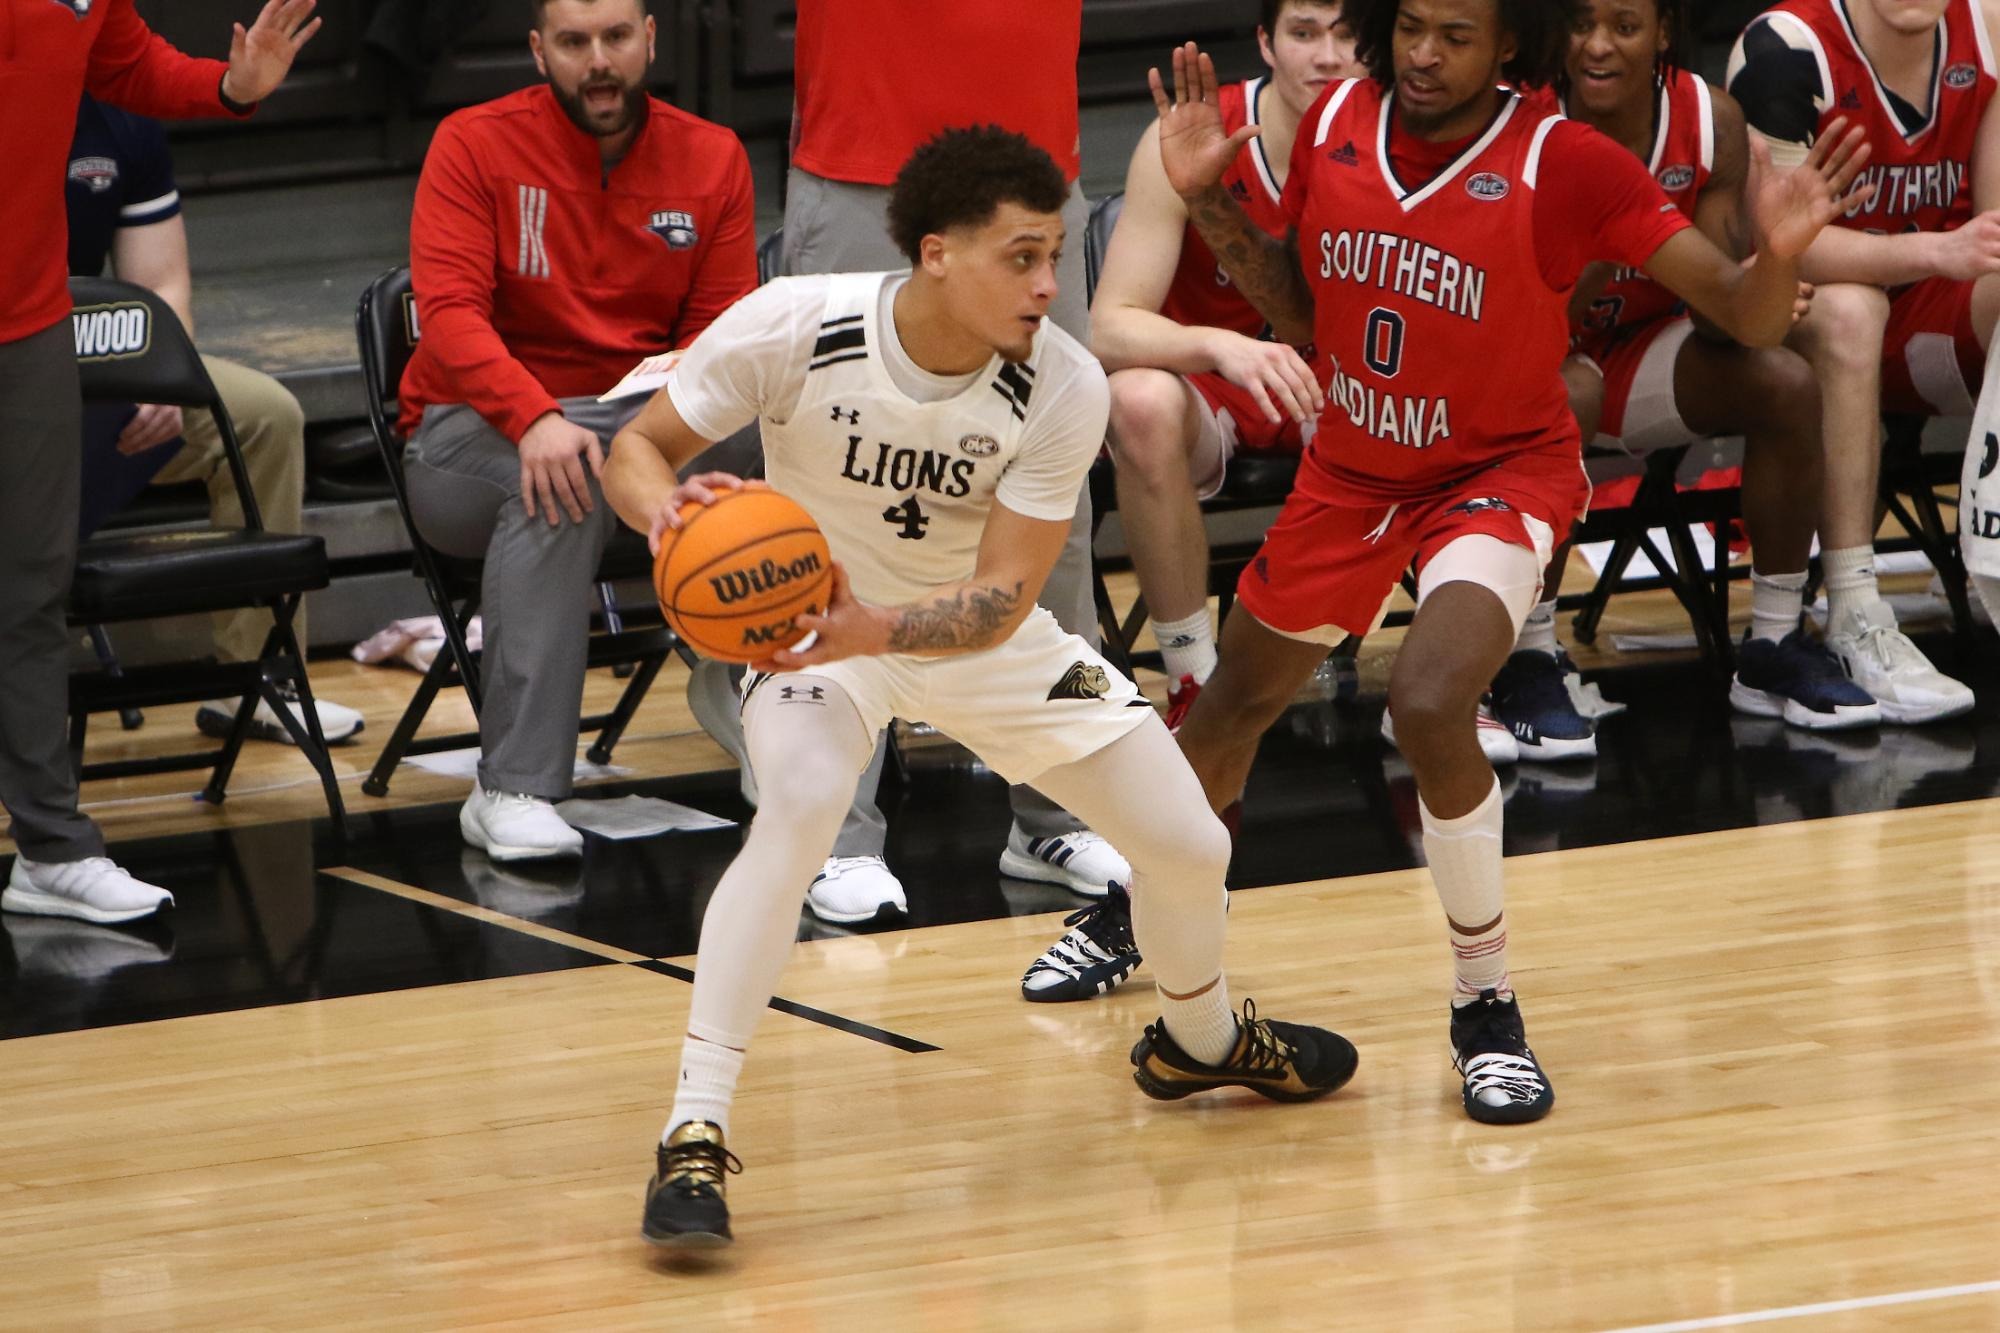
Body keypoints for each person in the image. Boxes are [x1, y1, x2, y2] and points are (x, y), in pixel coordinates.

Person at [1039, 0, 1869, 1126]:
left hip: (1499, 470)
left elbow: (1741, 312)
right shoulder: (1336, 117)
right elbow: (1303, 309)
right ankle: (1147, 909)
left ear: (1511, 44)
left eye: (1455, 35)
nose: (1424, 54)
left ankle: (1485, 1006)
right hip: (1353, 472)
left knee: (1430, 701)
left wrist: (1772, 251)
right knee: (1222, 716)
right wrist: (1211, 206)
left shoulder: (1559, 159)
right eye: (1411, 26)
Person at [604, 127, 1360, 1248]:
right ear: (935, 254)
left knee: (1191, 846)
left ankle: (1196, 1043)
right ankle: (694, 1133)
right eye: (1020, 257)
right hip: (816, 637)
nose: (1049, 284)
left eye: (1054, 254)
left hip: (967, 633)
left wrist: (881, 620)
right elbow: (638, 447)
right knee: (803, 810)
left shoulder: (1061, 381)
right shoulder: (796, 325)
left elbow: (1003, 597)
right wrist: (670, 521)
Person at [681, 0, 1130, 926]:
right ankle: (829, 834)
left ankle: (1055, 812)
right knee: (828, 495)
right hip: (864, 166)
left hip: (1034, 169)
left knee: (1058, 514)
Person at [398, 0, 756, 861]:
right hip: (472, 432)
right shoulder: (472, 144)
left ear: (650, 40)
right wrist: (535, 417)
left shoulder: (712, 156)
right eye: (573, 42)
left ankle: (745, 673)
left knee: (799, 434)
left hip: (640, 422)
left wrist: (648, 432)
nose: (598, 61)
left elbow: (720, 340)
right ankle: (510, 787)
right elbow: (448, 315)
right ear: (538, 50)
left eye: (616, 38)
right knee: (562, 476)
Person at [1, 0, 318, 927]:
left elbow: (130, 65)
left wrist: (230, 85)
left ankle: (52, 848)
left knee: (26, 592)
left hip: (28, 326)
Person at [1552, 0, 1879, 730]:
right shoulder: (1522, 119)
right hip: (1540, 354)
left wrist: (1772, 252)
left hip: (1640, 351)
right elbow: (1513, 326)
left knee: (1786, 383)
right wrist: (1608, 247)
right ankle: (1530, 658)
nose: (1597, 47)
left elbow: (1720, 321)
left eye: (1625, 27)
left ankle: (1772, 643)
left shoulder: (1710, 120)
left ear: (1664, 32)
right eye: (1579, 24)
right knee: (1556, 391)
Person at [1090, 0, 1360, 730]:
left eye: (1346, 36)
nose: (1327, 57)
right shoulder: (1189, 133)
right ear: (1266, 44)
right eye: (1304, 34)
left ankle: (1482, 678)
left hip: (1347, 386)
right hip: (1217, 387)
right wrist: (1221, 346)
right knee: (1137, 399)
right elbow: (1108, 326)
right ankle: (1191, 679)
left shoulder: (1396, 133)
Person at [64, 93, 366, 746]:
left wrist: (158, 378)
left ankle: (257, 680)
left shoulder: (120, 116)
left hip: (88, 376)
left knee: (262, 416)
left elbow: (163, 284)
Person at [1728, 0, 1997, 723]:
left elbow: (1992, 237)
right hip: (1804, 318)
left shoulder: (1991, 31)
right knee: (1853, 310)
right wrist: (1931, 251)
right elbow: (1782, 241)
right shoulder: (1784, 44)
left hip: (1928, 331)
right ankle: (1854, 610)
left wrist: (1951, 256)